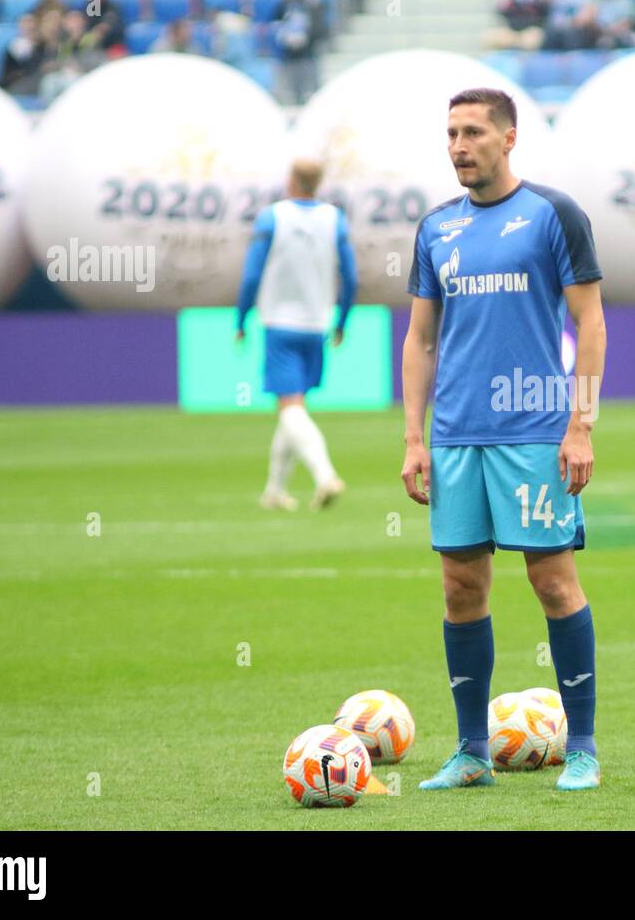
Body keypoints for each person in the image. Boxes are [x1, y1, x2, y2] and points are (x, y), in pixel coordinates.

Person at [401, 88, 607, 792]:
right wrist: (413, 438)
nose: (458, 145)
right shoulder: (435, 229)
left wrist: (580, 423)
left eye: (473, 133)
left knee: (552, 581)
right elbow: (421, 339)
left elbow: (590, 322)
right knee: (461, 588)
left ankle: (580, 747)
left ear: (509, 138)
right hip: (457, 437)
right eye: (451, 133)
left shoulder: (553, 214)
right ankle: (469, 752)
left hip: (533, 433)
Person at [236, 158, 357, 511]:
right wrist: (342, 320)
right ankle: (274, 490)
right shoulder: (334, 219)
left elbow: (251, 275)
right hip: (317, 325)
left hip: (279, 324)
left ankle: (325, 476)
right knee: (294, 405)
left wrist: (241, 319)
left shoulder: (272, 217)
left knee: (290, 408)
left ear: (291, 180)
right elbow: (350, 275)